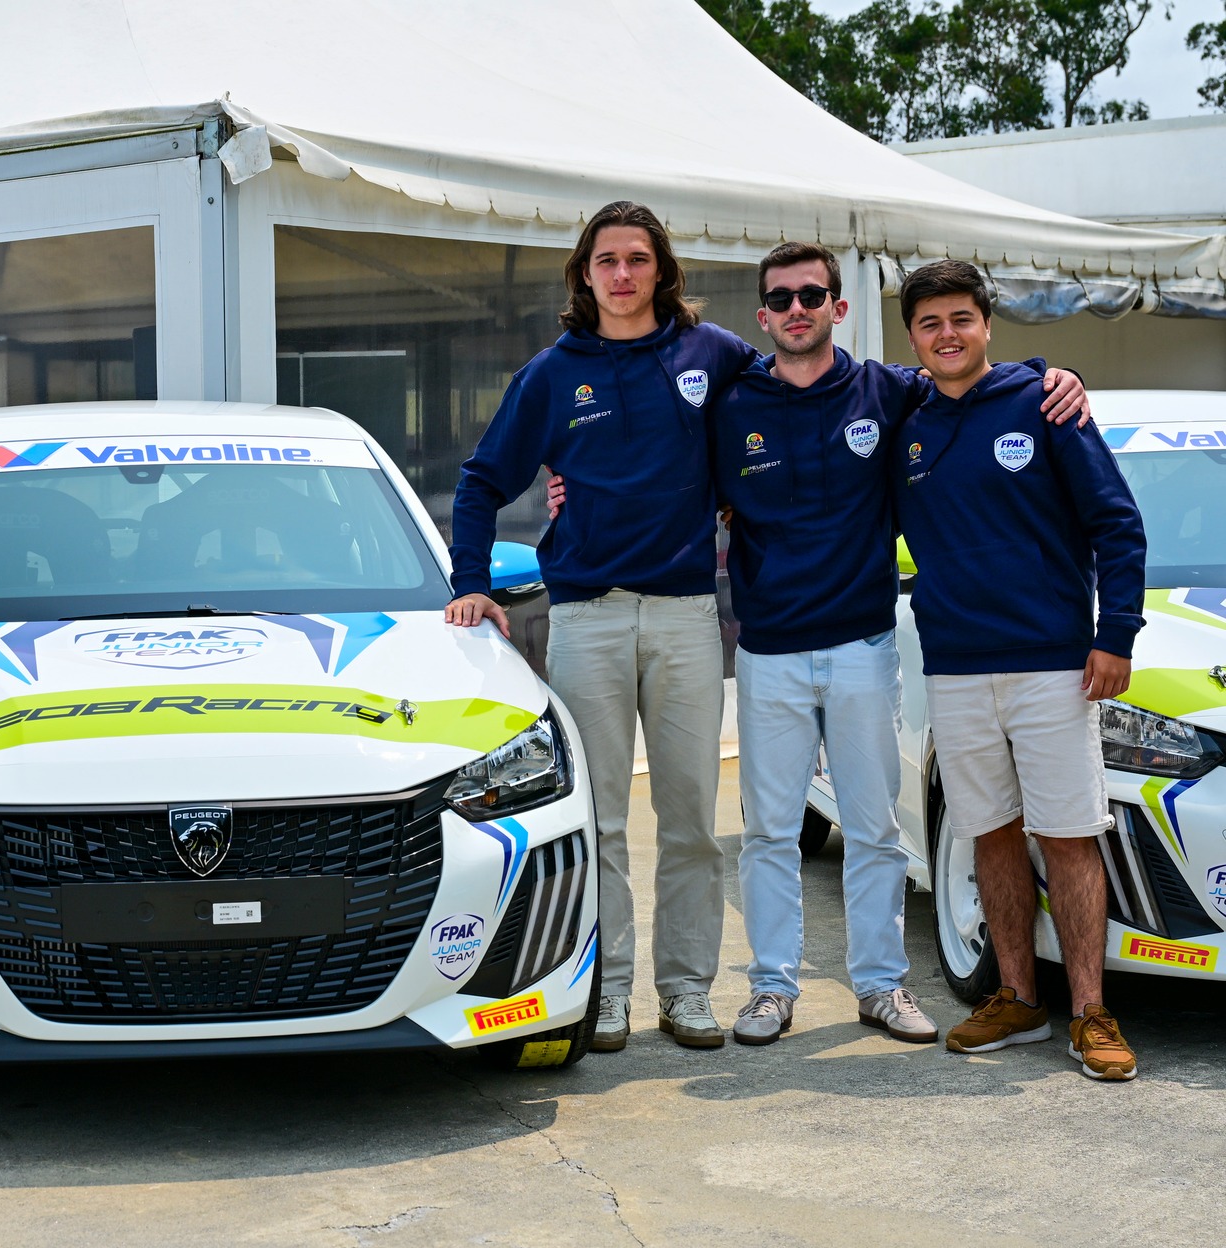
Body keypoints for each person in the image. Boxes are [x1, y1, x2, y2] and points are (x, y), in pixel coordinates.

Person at [711, 243, 1087, 1046]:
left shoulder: (890, 391)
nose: (798, 308)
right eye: (781, 299)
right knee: (771, 831)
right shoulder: (732, 403)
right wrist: (567, 489)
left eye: (814, 293)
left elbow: (974, 375)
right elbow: (668, 476)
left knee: (874, 825)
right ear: (763, 316)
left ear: (839, 308)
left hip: (863, 645)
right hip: (768, 650)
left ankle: (880, 985)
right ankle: (772, 989)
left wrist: (1054, 373)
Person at [447, 201, 760, 1050]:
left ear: (663, 270)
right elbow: (480, 483)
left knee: (693, 815)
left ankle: (688, 990)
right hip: (586, 617)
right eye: (606, 260)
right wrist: (470, 585)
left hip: (689, 615)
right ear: (584, 275)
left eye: (637, 258)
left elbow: (802, 389)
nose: (622, 274)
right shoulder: (552, 374)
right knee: (601, 818)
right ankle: (609, 991)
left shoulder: (713, 354)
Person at [894, 259, 1146, 1081]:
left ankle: (1089, 1010)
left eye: (961, 318)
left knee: (1068, 836)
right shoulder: (907, 417)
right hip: (957, 668)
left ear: (987, 323)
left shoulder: (1044, 403)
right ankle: (1015, 996)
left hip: (1052, 666)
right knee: (989, 833)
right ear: (912, 337)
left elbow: (1117, 521)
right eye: (930, 323)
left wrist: (1118, 634)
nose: (948, 334)